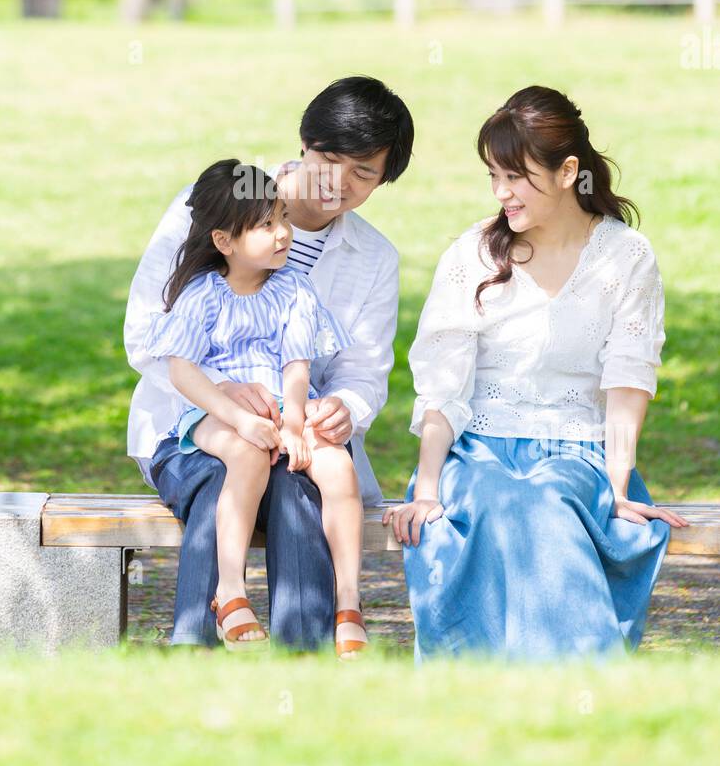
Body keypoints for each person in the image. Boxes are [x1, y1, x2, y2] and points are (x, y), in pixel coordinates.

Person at [385, 85, 689, 662]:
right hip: (477, 452)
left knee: (544, 499)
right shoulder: (474, 253)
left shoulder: (626, 258)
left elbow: (627, 382)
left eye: (516, 177)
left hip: (579, 452)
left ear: (569, 170)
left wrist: (619, 487)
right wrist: (426, 488)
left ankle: (573, 681)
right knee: (502, 498)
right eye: (493, 176)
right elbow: (444, 383)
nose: (502, 194)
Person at [124, 75, 414, 649]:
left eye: (365, 175)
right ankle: (197, 641)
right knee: (229, 469)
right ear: (304, 143)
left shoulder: (374, 258)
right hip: (189, 429)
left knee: (298, 479)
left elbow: (364, 373)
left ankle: (301, 654)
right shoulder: (206, 204)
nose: (340, 184)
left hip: (297, 429)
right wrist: (223, 393)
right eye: (330, 160)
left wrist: (343, 410)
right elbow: (144, 335)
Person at [136, 159, 369, 657]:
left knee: (335, 466)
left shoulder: (293, 291)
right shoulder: (203, 295)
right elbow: (182, 373)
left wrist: (293, 424)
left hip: (283, 412)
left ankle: (348, 602)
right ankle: (230, 591)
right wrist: (240, 418)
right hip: (215, 416)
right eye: (266, 225)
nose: (284, 233)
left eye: (282, 217)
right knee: (242, 455)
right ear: (224, 241)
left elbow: (297, 368)